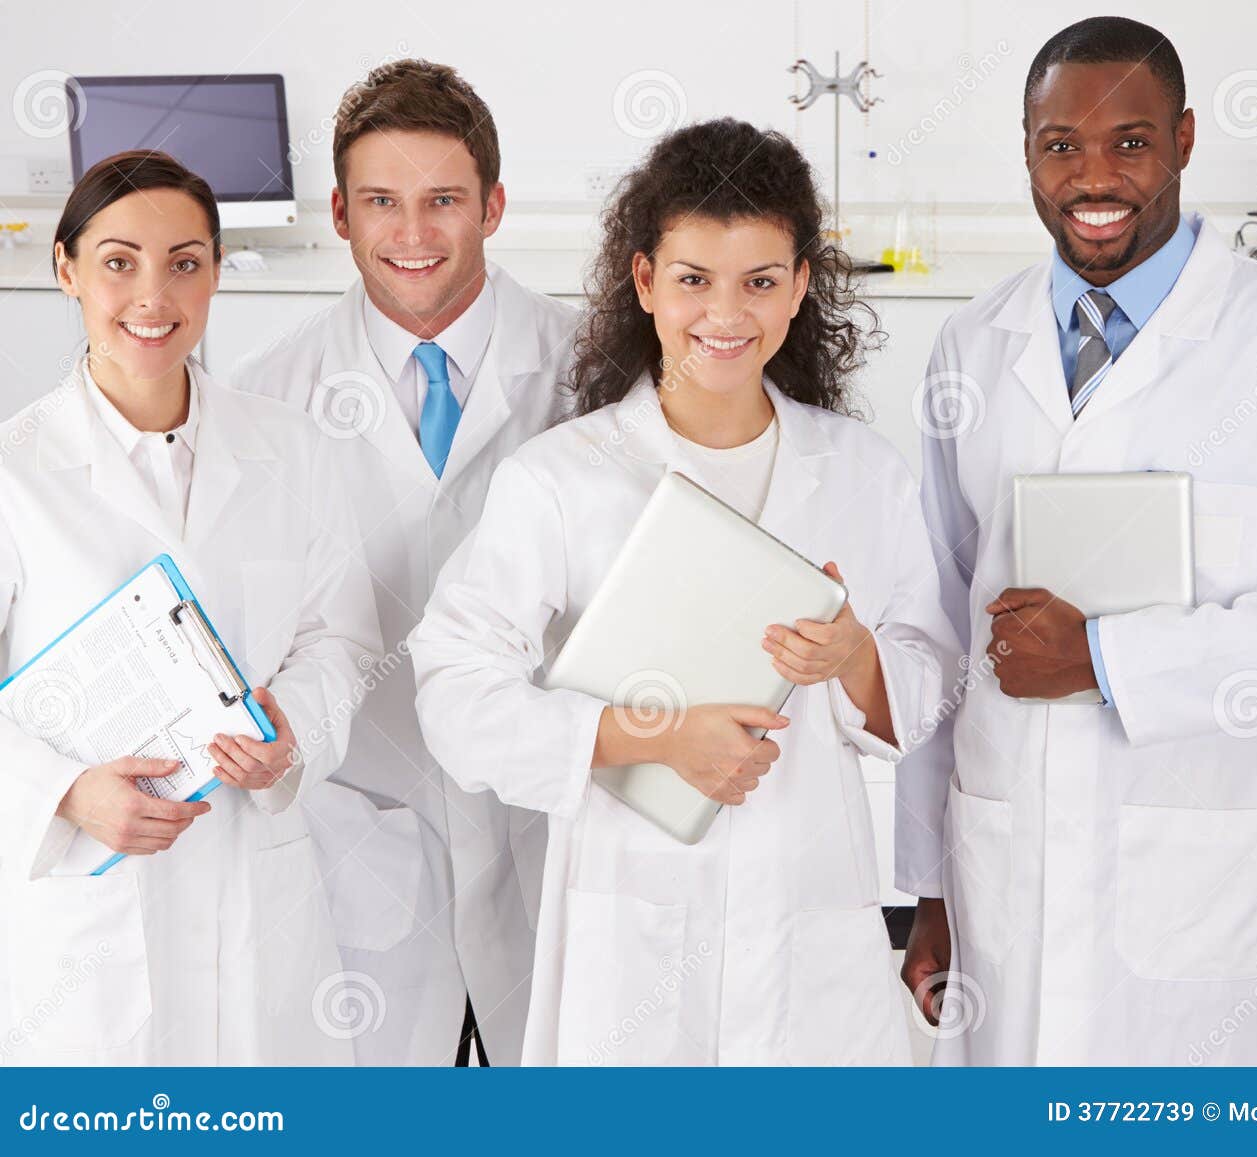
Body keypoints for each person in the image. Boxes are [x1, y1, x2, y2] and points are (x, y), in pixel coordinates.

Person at [894, 16, 1257, 1065]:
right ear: (1027, 150)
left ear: (1183, 140)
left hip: (1210, 888)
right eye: (1060, 146)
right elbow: (935, 620)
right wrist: (933, 886)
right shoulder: (972, 342)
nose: (1094, 175)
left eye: (1129, 142)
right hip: (1008, 876)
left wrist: (1102, 658)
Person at [409, 118, 959, 1065]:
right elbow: (453, 689)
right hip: (633, 931)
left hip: (809, 922)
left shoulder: (863, 471)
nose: (726, 313)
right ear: (645, 282)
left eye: (759, 280)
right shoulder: (563, 478)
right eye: (695, 279)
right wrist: (650, 737)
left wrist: (857, 657)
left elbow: (936, 683)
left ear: (799, 287)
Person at [230, 60, 579, 1066]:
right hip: (361, 827)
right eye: (382, 202)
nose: (413, 235)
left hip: (543, 818)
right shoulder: (272, 395)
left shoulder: (589, 369)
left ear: (494, 206)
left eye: (443, 202)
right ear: (339, 214)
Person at [0, 151, 380, 1064]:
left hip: (258, 880)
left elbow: (343, 636)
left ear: (215, 273)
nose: (153, 295)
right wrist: (64, 792)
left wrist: (296, 731)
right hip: (91, 909)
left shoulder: (292, 449)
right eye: (118, 261)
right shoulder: (15, 472)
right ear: (67, 270)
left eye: (185, 262)